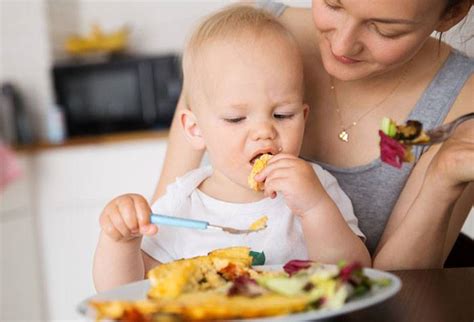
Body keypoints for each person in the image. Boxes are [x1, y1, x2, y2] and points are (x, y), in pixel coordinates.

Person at [154, 0, 474, 270]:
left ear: (452, 13)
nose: (342, 44)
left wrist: (442, 179)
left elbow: (393, 293)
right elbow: (161, 236)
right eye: (333, 3)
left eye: (385, 28)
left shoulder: (463, 100)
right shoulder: (237, 40)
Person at [93, 5, 370, 292]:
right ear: (195, 129)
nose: (264, 132)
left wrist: (314, 208)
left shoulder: (315, 187)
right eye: (236, 118)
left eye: (282, 115)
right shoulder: (183, 202)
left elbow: (357, 276)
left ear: (304, 117)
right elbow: (125, 290)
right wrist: (120, 242)